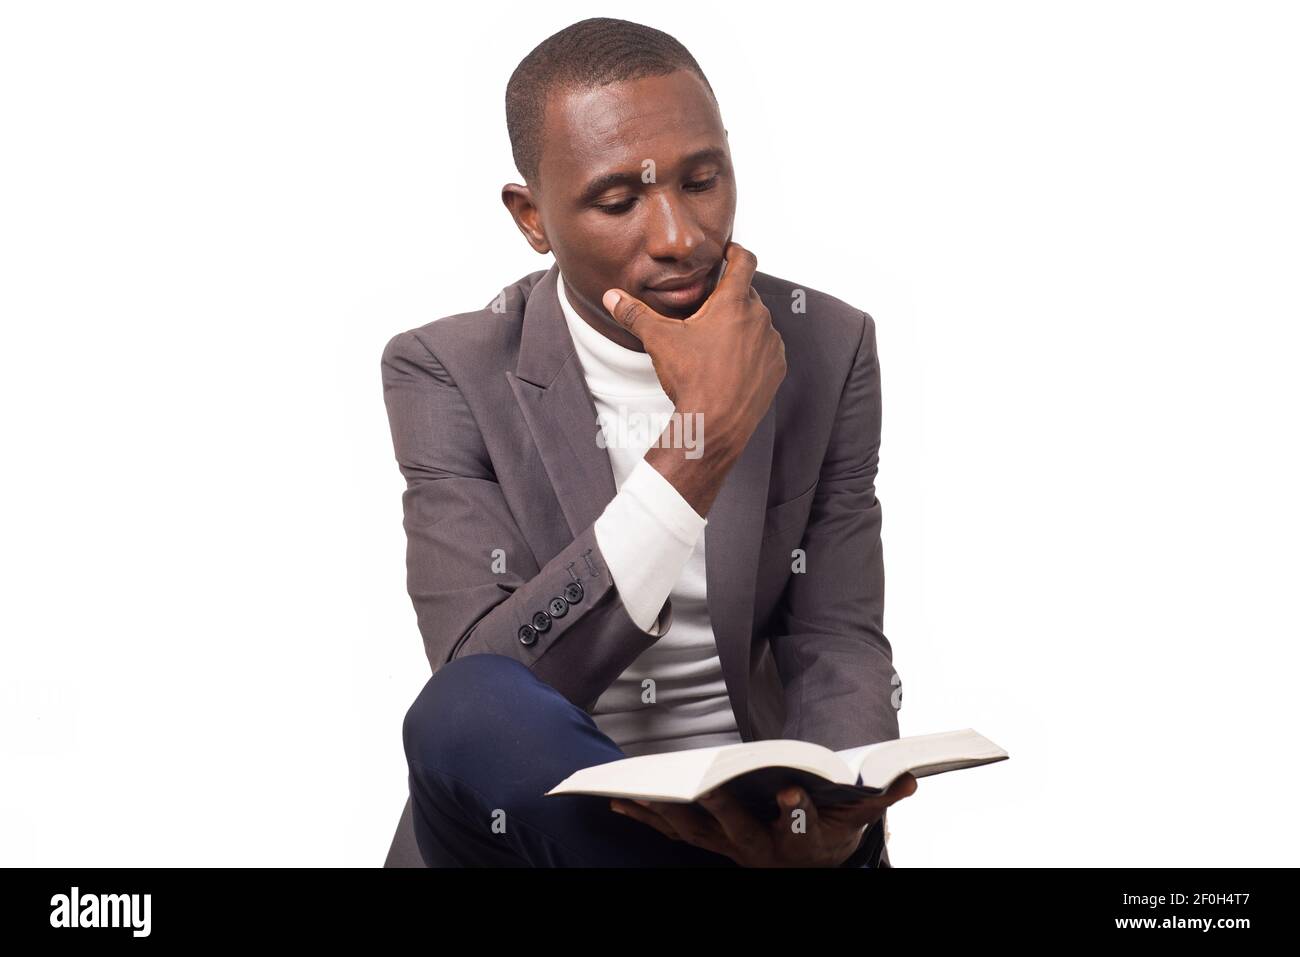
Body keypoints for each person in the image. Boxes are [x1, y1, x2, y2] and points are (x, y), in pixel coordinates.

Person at [382, 16, 917, 868]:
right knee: (463, 704)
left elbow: (838, 637)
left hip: (769, 838)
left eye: (703, 180)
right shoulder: (447, 368)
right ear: (532, 217)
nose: (679, 236)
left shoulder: (827, 343)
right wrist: (698, 446)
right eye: (619, 200)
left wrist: (838, 812)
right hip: (539, 833)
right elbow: (483, 682)